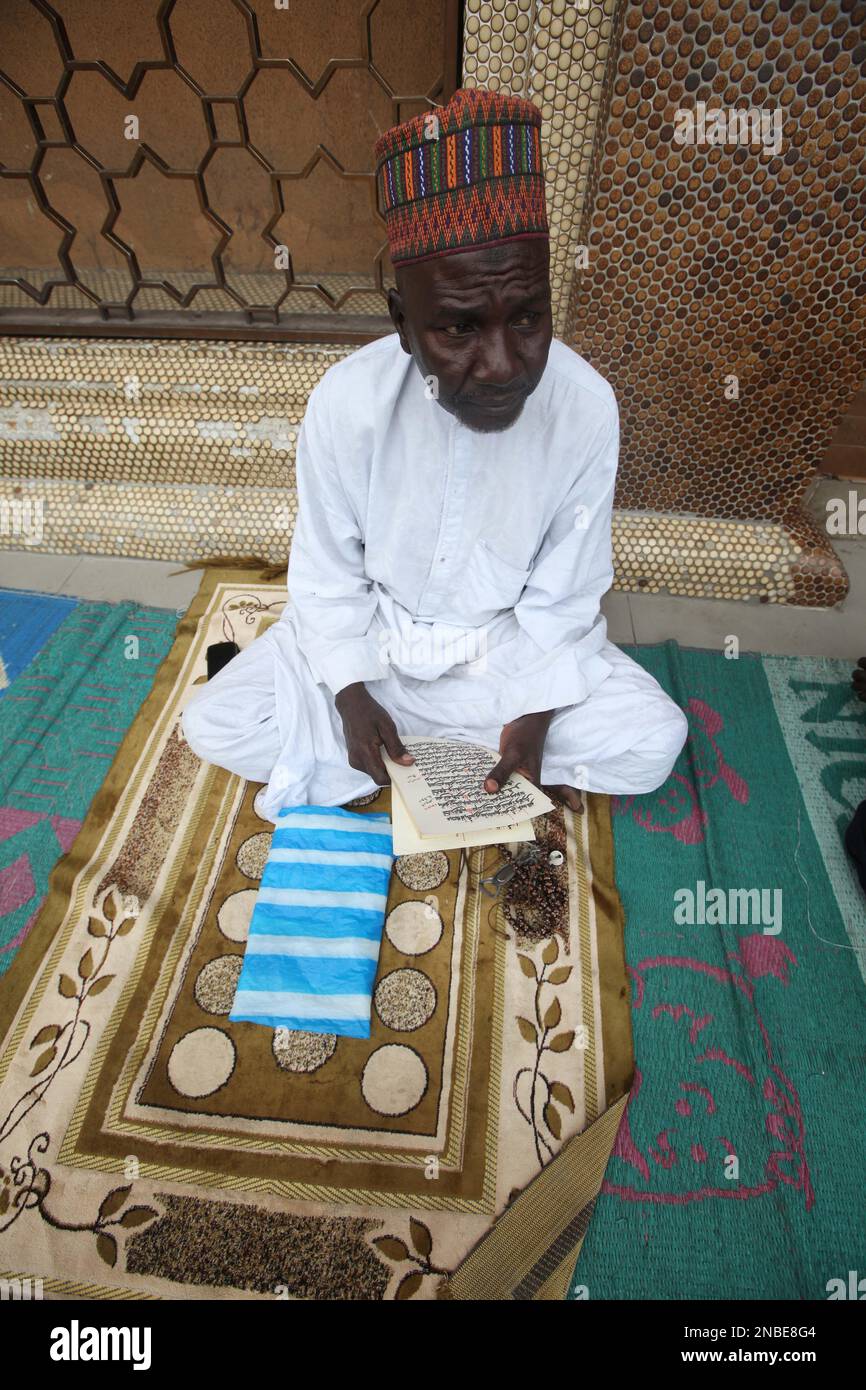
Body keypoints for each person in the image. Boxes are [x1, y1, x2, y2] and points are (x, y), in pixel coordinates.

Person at [182, 87, 688, 820]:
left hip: (507, 659)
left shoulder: (585, 407)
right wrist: (352, 692)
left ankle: (437, 751)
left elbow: (566, 595)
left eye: (528, 317)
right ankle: (424, 747)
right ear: (402, 323)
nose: (504, 364)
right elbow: (327, 578)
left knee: (654, 741)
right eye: (458, 329)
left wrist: (536, 715)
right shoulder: (345, 403)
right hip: (381, 648)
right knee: (215, 723)